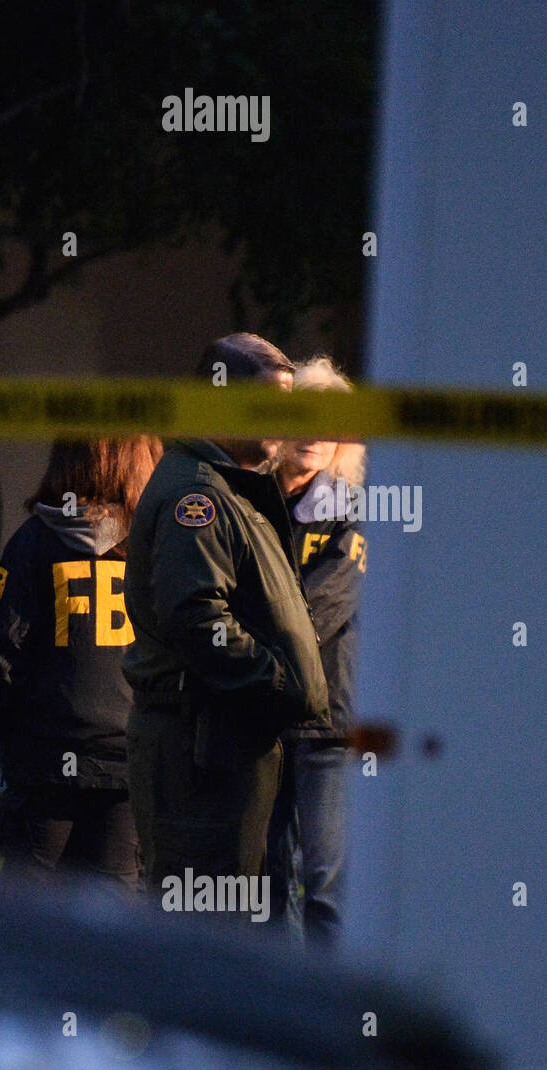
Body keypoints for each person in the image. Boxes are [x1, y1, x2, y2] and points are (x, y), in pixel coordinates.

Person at [123, 333, 329, 911]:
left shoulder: (232, 489)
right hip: (200, 755)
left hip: (225, 748)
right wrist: (281, 682)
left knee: (231, 926)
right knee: (204, 930)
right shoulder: (199, 493)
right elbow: (196, 615)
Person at [0, 436, 162, 891]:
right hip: (126, 760)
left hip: (45, 760)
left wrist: (4, 729)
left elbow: (0, 645)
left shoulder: (32, 542)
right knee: (114, 918)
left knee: (31, 916)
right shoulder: (155, 544)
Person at [266, 357, 367, 943]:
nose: (314, 435)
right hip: (260, 721)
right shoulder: (248, 504)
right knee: (265, 884)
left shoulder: (352, 510)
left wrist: (245, 646)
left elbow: (318, 612)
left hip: (327, 726)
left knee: (327, 888)